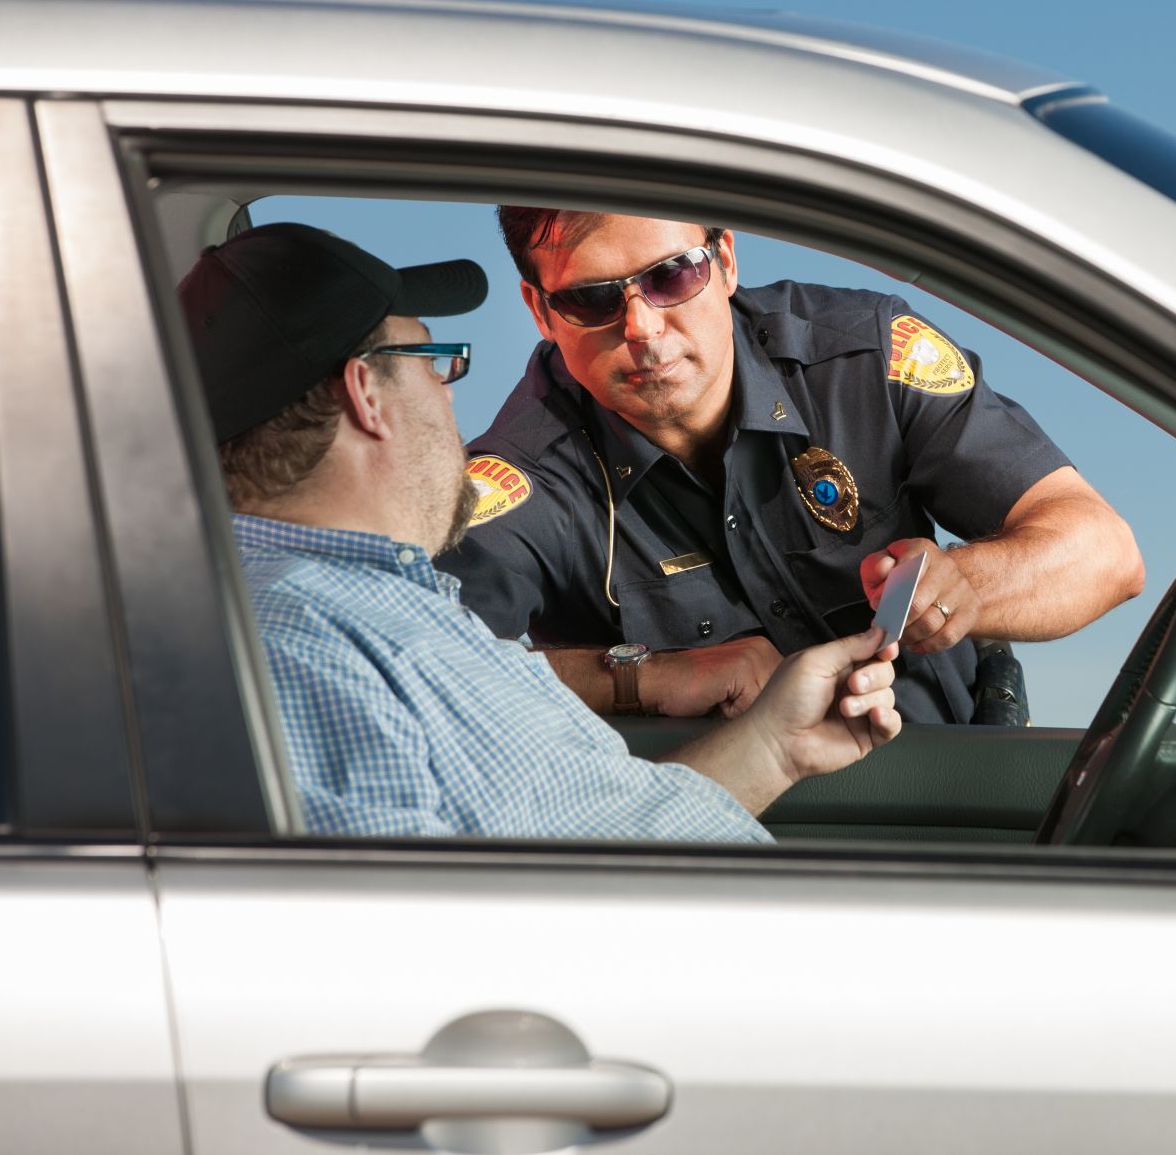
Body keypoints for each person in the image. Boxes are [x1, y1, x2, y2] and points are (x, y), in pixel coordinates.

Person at [178, 222, 900, 843]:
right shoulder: (296, 650)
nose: (449, 392)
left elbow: (595, 837)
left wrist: (777, 748)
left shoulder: (389, 614)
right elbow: (404, 954)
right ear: (367, 394)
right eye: (434, 360)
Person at [438, 208, 1145, 726]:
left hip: (949, 799)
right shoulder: (517, 479)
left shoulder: (866, 359)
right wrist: (647, 678)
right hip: (710, 856)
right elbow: (411, 667)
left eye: (671, 276)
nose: (643, 329)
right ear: (539, 309)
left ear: (725, 259)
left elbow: (1107, 554)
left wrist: (967, 588)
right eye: (591, 298)